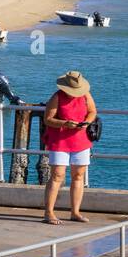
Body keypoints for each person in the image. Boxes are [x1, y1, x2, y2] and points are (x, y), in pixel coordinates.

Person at [42, 70, 98, 225]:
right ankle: (49, 212)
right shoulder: (57, 97)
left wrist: (86, 122)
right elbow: (48, 119)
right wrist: (65, 123)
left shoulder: (86, 95)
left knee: (78, 175)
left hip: (81, 140)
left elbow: (93, 111)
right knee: (57, 176)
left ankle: (75, 212)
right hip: (60, 141)